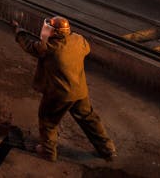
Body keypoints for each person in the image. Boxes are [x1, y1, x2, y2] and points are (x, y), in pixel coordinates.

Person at [14, 16, 116, 162]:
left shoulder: (48, 48)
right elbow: (85, 48)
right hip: (79, 91)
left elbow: (29, 45)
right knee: (89, 119)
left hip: (58, 95)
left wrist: (19, 32)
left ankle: (48, 152)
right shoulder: (79, 40)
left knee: (48, 121)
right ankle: (107, 149)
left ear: (55, 32)